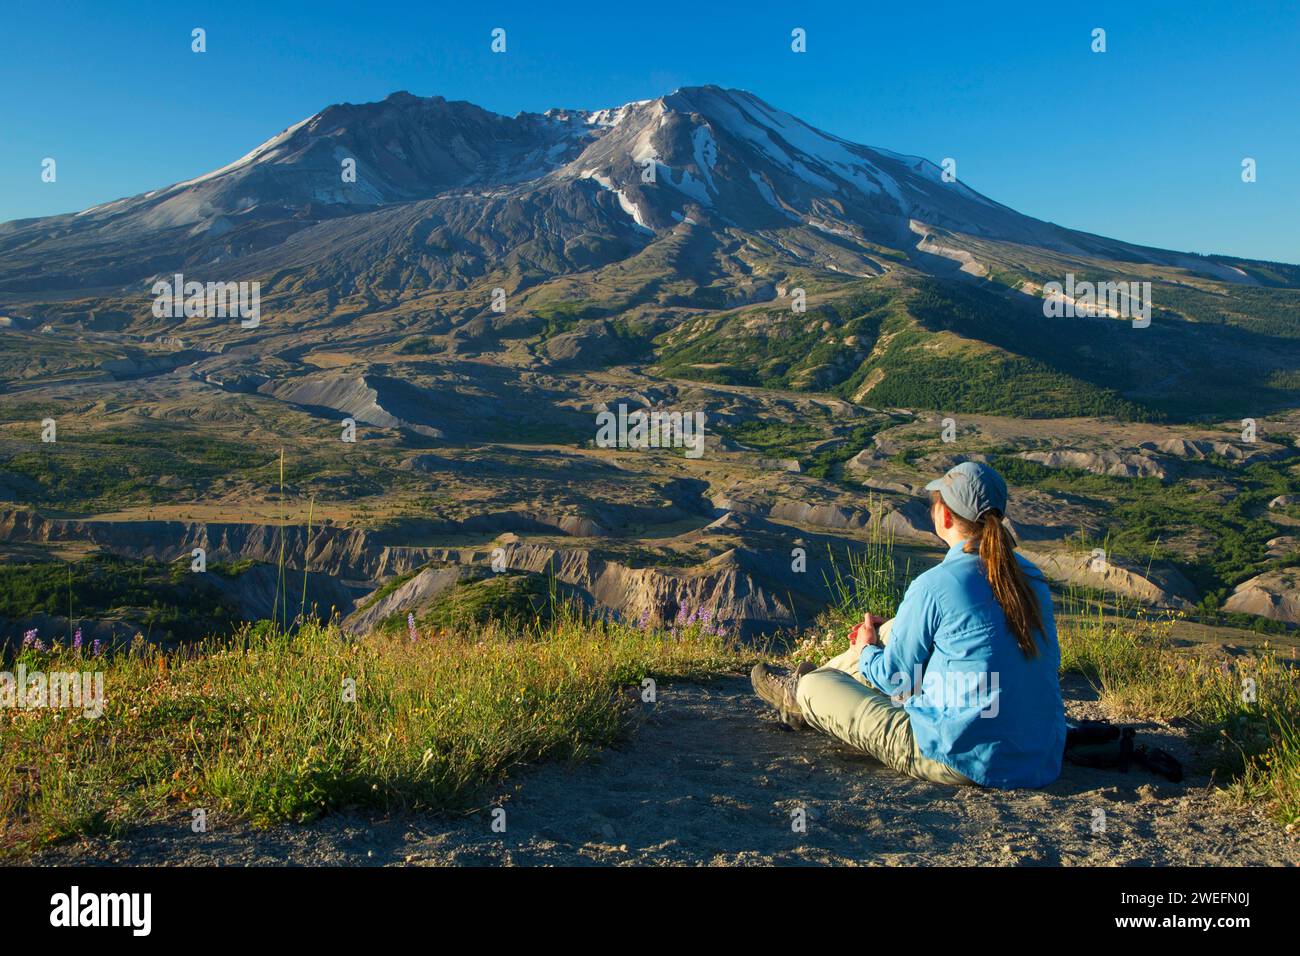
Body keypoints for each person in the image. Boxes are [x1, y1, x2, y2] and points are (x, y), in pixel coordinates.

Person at [751, 461, 1066, 789]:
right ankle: (805, 689)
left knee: (819, 686)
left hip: (960, 759)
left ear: (943, 516)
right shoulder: (1030, 577)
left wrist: (867, 649)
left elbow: (896, 680)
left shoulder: (936, 584)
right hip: (1040, 759)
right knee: (897, 627)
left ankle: (802, 692)